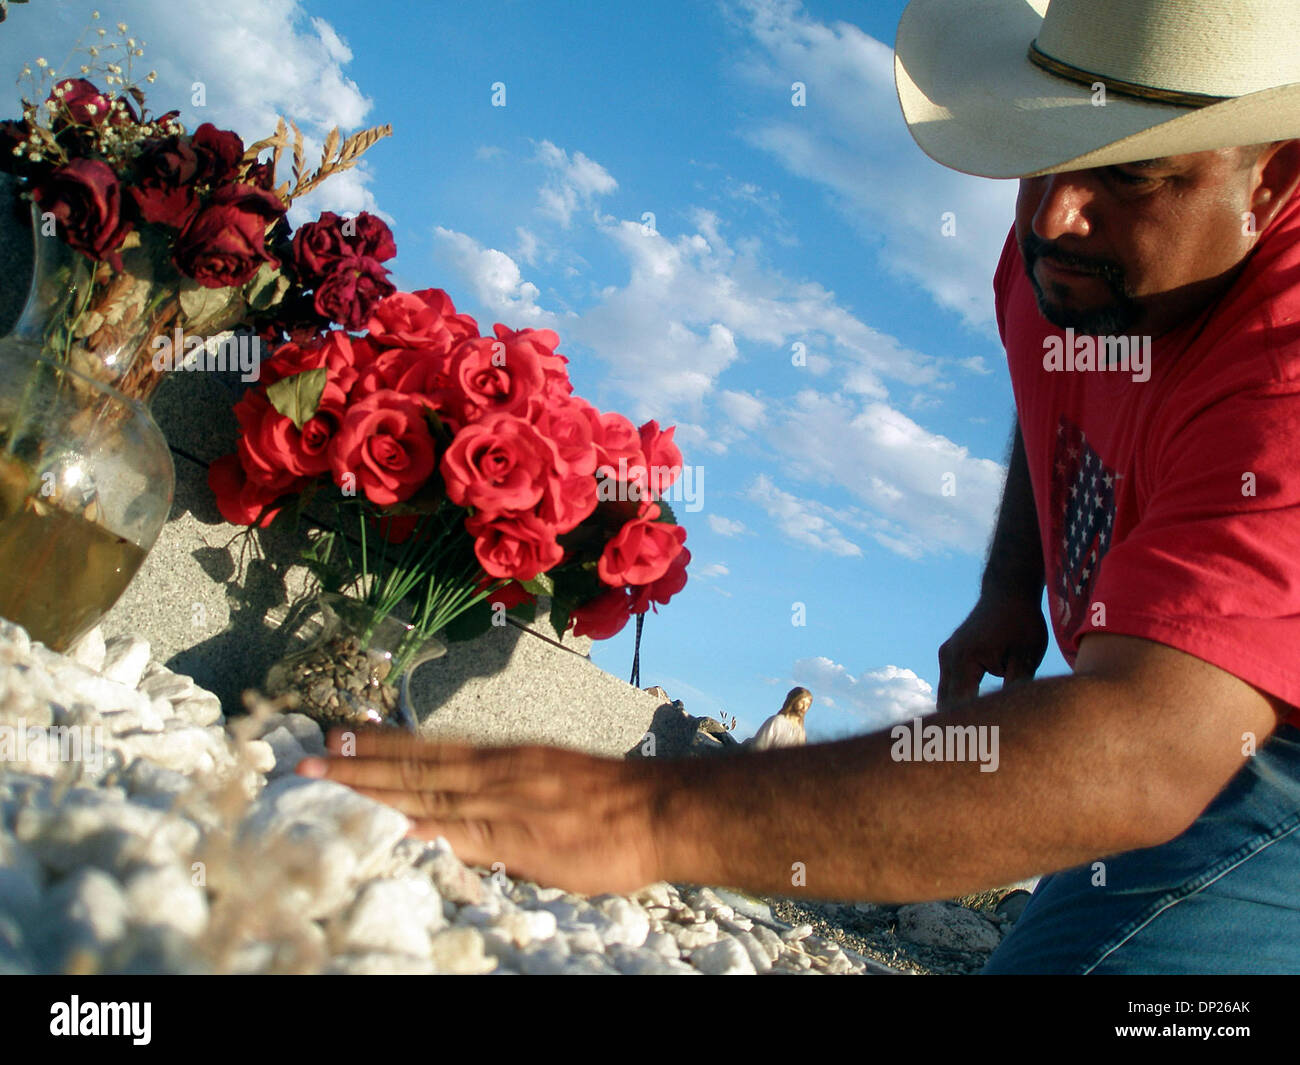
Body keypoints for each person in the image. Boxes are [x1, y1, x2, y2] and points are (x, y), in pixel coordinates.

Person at [298, 0, 1300, 974]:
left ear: (1270, 179)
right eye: (1044, 154)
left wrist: (645, 817)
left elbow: (1155, 747)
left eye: (1130, 173)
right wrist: (1009, 585)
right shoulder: (1074, 259)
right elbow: (1058, 391)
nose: (1053, 215)